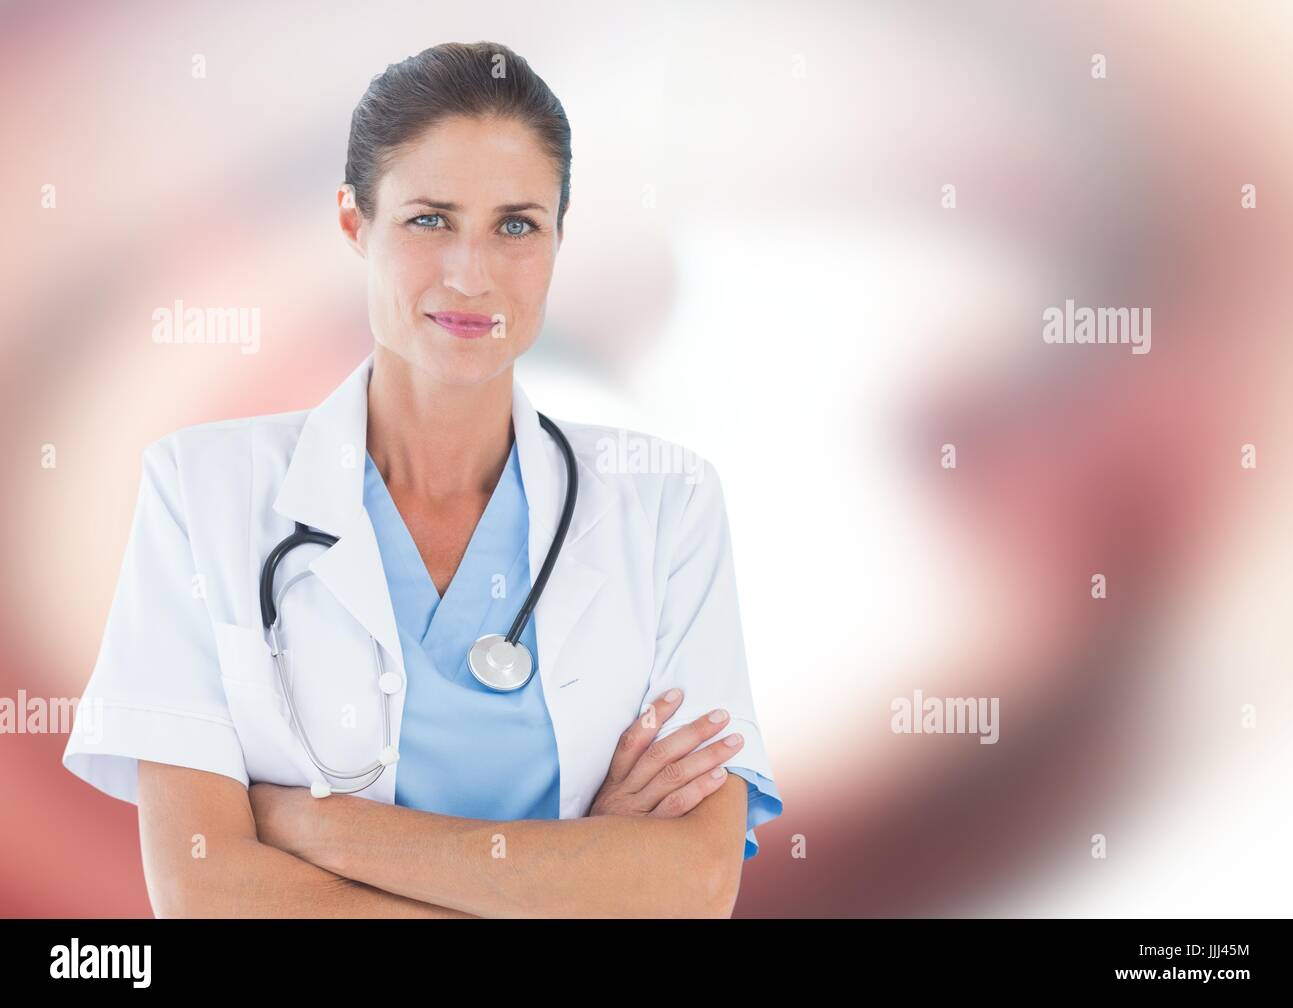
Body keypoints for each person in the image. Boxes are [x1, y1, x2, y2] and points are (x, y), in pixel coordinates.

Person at [62, 41, 781, 918]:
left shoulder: (667, 503)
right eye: (429, 219)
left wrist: (309, 828)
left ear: (560, 237)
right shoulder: (201, 490)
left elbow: (693, 886)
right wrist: (577, 876)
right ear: (354, 223)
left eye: (516, 224)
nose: (470, 273)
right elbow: (205, 891)